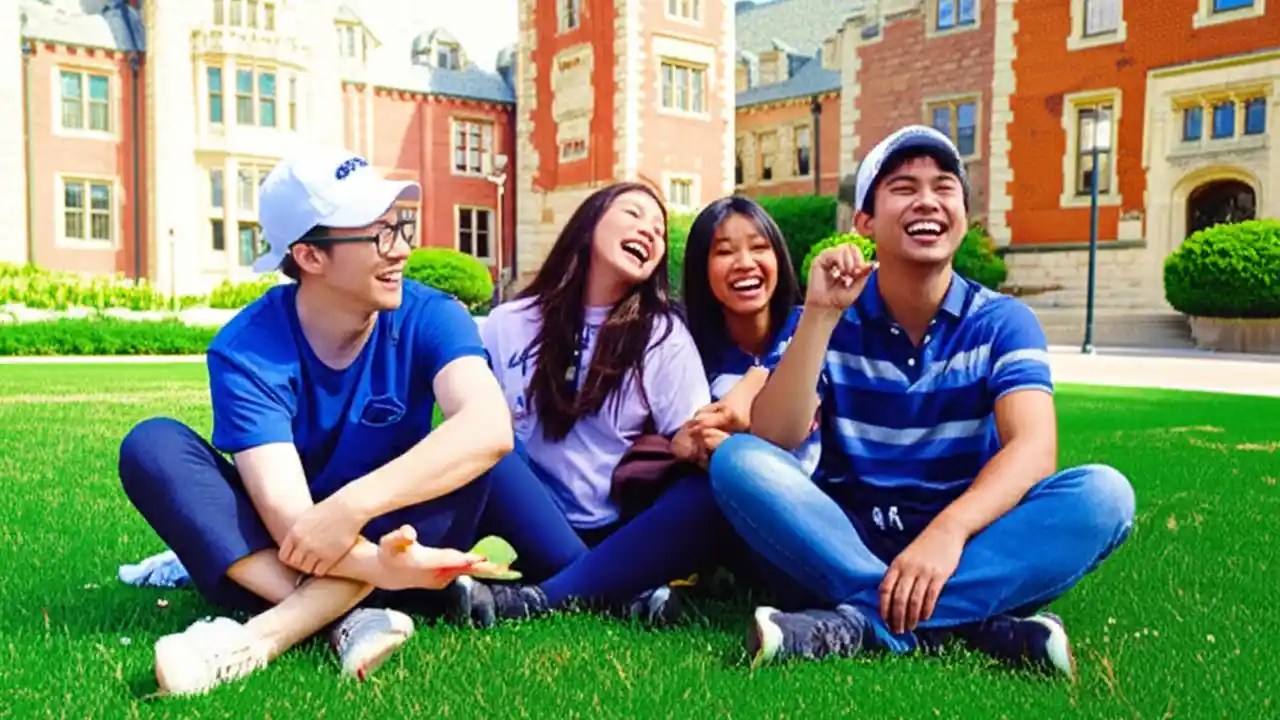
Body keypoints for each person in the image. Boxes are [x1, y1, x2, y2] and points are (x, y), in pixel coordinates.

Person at [118, 147, 588, 695]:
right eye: (379, 236)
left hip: (399, 531)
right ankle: (355, 614)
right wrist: (375, 567)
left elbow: (488, 426)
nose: (404, 250)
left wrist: (352, 508)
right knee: (152, 446)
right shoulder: (248, 349)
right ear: (310, 257)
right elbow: (293, 521)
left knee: (484, 465)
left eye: (401, 228)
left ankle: (261, 638)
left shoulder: (429, 313)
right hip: (309, 548)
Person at [707, 125, 1136, 679]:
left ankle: (858, 623)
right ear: (865, 221)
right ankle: (974, 624)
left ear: (962, 211)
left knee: (1104, 494)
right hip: (841, 540)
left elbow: (1033, 449)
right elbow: (775, 437)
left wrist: (947, 533)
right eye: (904, 188)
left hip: (962, 544)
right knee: (737, 461)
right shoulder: (829, 314)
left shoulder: (1001, 322)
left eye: (944, 187)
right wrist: (818, 314)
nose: (928, 201)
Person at [447, 182, 733, 628]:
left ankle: (542, 596)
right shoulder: (509, 323)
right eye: (634, 214)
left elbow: (691, 438)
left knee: (707, 494)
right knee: (486, 450)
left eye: (659, 229)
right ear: (590, 221)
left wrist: (696, 441)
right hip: (530, 515)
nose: (650, 232)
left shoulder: (661, 334)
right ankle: (618, 589)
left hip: (621, 526)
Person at [675, 195, 817, 475]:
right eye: (725, 252)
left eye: (759, 247)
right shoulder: (685, 345)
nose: (745, 262)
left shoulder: (811, 325)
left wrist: (756, 380)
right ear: (700, 267)